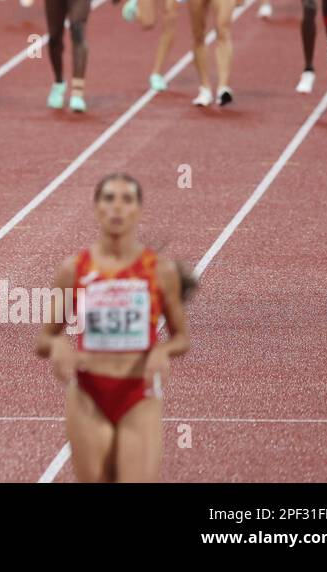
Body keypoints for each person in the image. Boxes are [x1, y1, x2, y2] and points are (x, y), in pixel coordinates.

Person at [36, 173, 193, 483]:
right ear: (96, 208)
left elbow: (182, 338)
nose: (117, 208)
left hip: (138, 394)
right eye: (108, 199)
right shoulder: (73, 270)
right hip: (88, 394)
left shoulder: (160, 271)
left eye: (127, 200)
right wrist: (58, 347)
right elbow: (45, 338)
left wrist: (162, 350)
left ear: (139, 210)